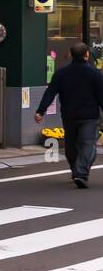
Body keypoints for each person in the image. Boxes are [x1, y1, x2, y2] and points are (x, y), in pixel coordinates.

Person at [36, 41, 103, 189]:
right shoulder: (95, 74)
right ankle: (81, 173)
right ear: (86, 55)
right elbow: (101, 96)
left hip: (69, 115)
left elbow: (50, 92)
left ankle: (76, 170)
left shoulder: (61, 73)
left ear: (71, 55)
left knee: (71, 146)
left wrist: (41, 111)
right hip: (89, 115)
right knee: (87, 144)